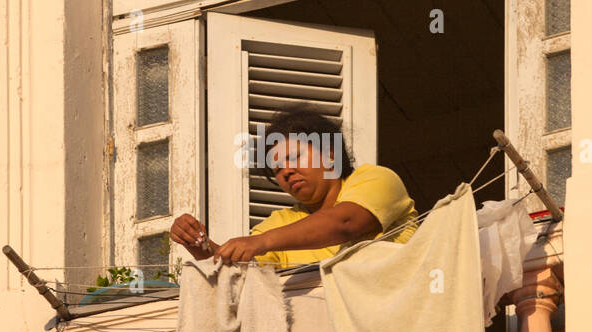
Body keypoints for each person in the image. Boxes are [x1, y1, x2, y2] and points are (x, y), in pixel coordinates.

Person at [170, 105, 417, 266]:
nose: (286, 171)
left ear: (330, 154)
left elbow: (345, 223)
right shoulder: (281, 223)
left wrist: (262, 242)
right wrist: (199, 244)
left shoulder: (376, 178)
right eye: (277, 169)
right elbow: (238, 273)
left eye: (294, 157)